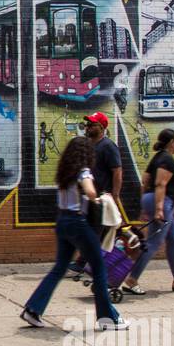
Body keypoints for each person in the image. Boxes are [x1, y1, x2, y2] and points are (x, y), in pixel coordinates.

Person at [20, 136, 125, 330]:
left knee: (59, 268)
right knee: (99, 268)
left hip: (63, 221)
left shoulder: (64, 173)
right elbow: (90, 191)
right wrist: (98, 198)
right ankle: (108, 319)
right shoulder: (83, 171)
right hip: (79, 223)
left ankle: (33, 309)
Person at [121, 128, 174, 294]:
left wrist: (144, 206)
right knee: (153, 242)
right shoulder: (167, 159)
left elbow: (145, 181)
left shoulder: (157, 158)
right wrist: (158, 209)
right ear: (171, 142)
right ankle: (132, 279)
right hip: (163, 202)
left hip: (154, 200)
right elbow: (160, 184)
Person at [68, 112, 122, 277]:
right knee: (95, 231)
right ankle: (87, 262)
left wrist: (115, 194)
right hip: (88, 195)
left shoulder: (108, 146)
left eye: (92, 124)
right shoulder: (89, 145)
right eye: (88, 124)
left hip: (101, 196)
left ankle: (84, 263)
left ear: (102, 127)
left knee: (97, 231)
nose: (88, 127)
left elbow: (117, 171)